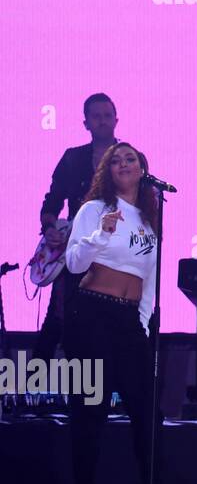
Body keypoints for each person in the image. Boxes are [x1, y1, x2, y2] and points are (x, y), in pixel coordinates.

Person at [62, 142, 164, 484]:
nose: (123, 164)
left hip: (128, 321)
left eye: (130, 159)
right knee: (92, 407)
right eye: (116, 160)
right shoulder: (94, 209)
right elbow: (74, 265)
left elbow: (149, 279)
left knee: (147, 410)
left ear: (142, 169)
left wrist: (141, 322)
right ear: (107, 171)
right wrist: (100, 235)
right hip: (91, 316)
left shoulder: (150, 218)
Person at [35, 93, 122, 359]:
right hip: (73, 253)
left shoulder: (129, 159)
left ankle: (105, 394)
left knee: (108, 327)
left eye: (107, 116)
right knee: (59, 321)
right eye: (96, 116)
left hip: (111, 256)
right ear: (86, 123)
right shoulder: (72, 159)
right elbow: (51, 203)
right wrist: (50, 228)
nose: (103, 121)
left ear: (116, 120)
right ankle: (32, 395)